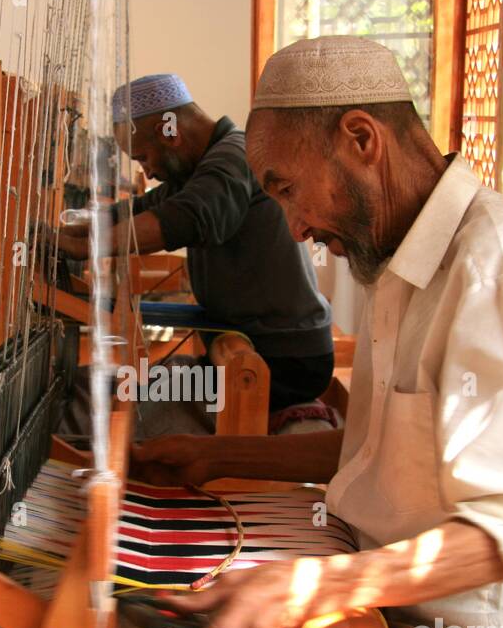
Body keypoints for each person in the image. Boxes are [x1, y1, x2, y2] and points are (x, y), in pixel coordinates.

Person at [132, 37, 503, 628]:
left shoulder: (500, 266)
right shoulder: (395, 260)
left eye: (288, 191)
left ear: (362, 139)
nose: (295, 230)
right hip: (369, 597)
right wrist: (216, 456)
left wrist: (310, 584)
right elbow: (381, 449)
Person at [58, 73, 335, 415]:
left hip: (283, 365)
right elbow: (138, 210)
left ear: (168, 131)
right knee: (91, 389)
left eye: (143, 157)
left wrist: (83, 247)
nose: (148, 172)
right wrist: (65, 231)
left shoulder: (236, 155)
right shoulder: (205, 167)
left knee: (103, 407)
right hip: (244, 350)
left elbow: (188, 217)